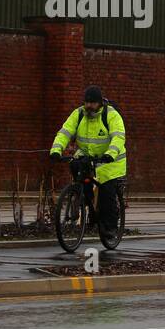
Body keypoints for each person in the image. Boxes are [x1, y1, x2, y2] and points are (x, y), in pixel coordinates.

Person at [49, 86, 127, 233]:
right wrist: (56, 150)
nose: (89, 106)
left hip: (111, 161)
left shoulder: (111, 115)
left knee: (106, 193)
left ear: (100, 103)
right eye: (87, 102)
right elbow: (65, 132)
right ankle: (86, 201)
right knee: (76, 168)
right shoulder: (78, 114)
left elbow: (118, 136)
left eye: (93, 103)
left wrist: (110, 153)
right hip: (87, 155)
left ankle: (110, 228)